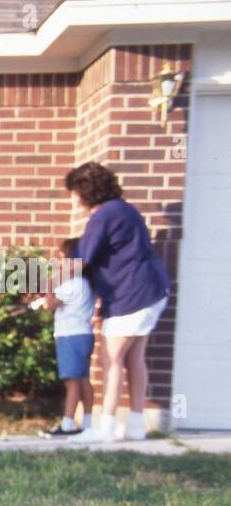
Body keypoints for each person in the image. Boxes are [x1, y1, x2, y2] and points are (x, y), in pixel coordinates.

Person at [63, 162, 171, 444]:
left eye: (74, 191)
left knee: (109, 359)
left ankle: (106, 427)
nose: (73, 199)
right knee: (134, 358)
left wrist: (42, 283)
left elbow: (82, 259)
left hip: (132, 295)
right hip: (151, 290)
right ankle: (135, 426)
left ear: (86, 190)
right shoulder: (124, 210)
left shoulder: (104, 215)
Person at [37, 237, 96, 438]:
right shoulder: (82, 283)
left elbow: (49, 304)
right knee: (82, 379)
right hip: (80, 335)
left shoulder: (75, 284)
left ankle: (68, 424)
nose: (60, 264)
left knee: (72, 381)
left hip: (71, 336)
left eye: (63, 259)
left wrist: (52, 281)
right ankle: (87, 423)